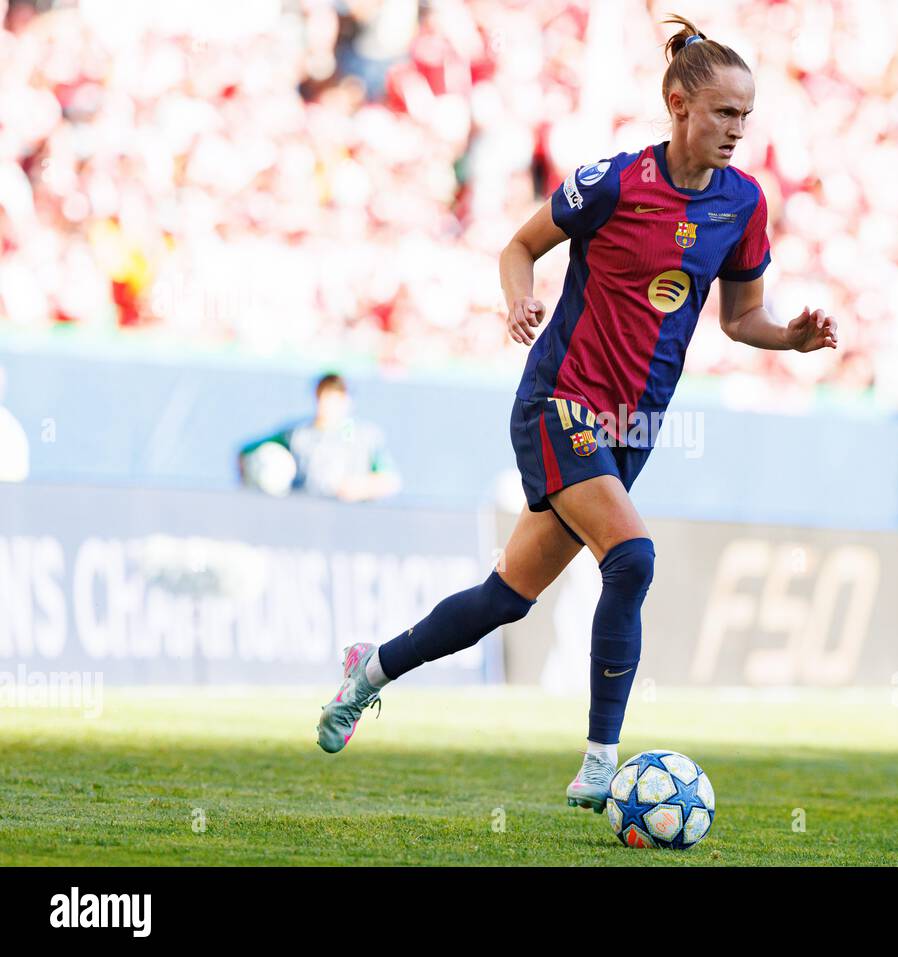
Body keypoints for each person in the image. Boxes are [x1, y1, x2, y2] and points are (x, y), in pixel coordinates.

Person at [315, 16, 839, 811]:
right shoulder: (615, 183)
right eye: (724, 113)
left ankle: (371, 667)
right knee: (632, 558)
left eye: (746, 116)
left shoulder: (743, 204)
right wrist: (521, 301)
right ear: (679, 106)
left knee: (505, 598)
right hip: (559, 399)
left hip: (633, 430)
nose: (737, 130)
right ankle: (602, 761)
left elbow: (739, 318)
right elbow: (518, 247)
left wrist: (791, 341)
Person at [239, 372, 400, 503]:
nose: (328, 402)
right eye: (325, 395)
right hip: (304, 514)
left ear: (347, 400)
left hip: (350, 517)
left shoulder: (362, 435)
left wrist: (361, 487)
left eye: (336, 396)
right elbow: (246, 452)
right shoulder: (298, 433)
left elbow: (389, 480)